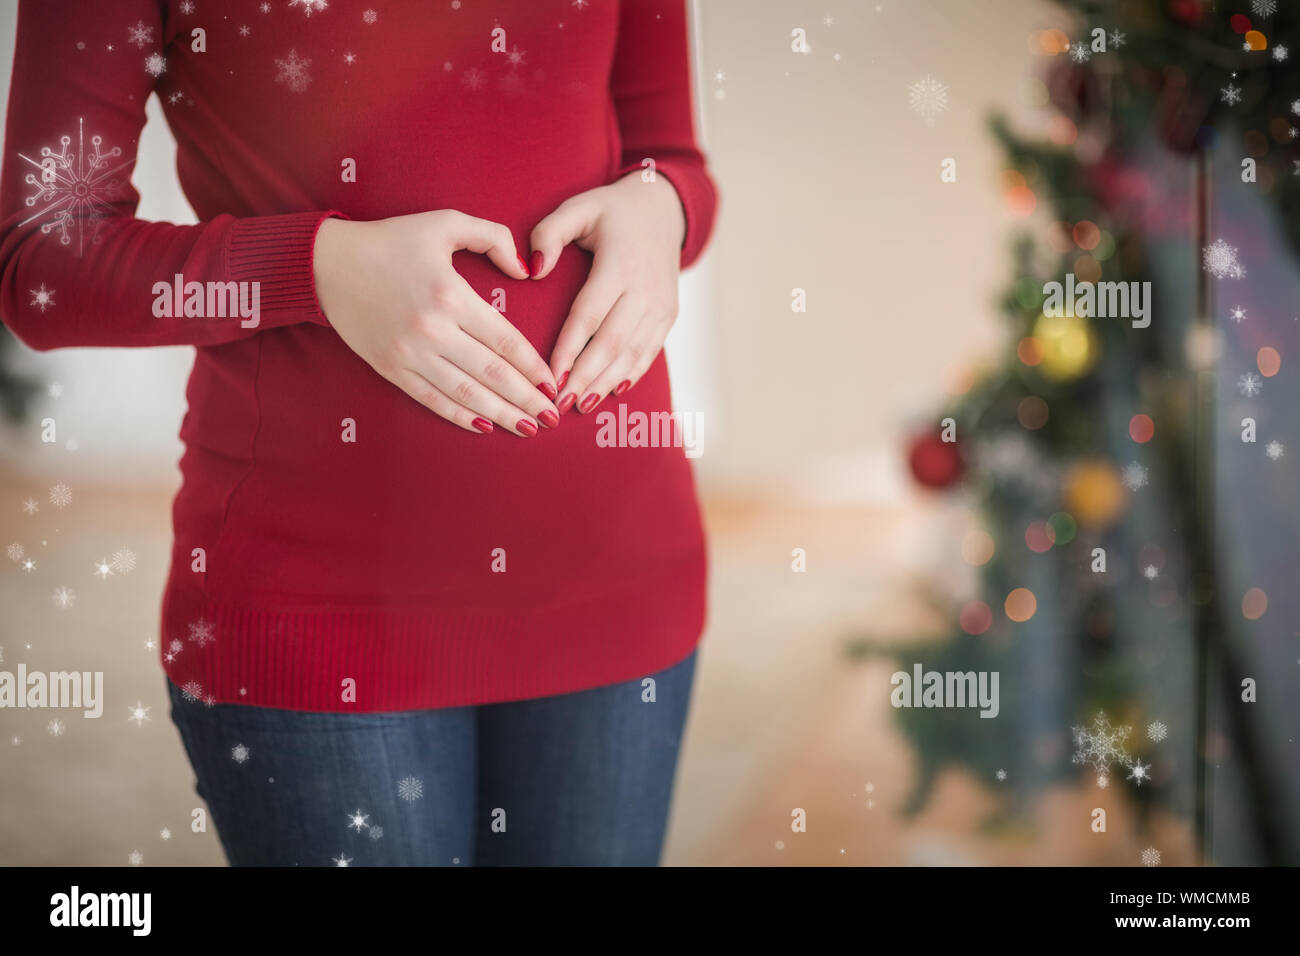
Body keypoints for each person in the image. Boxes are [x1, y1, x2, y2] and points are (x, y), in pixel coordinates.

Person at [0, 0, 717, 866]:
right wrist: (314, 267)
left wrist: (664, 208)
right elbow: (45, 257)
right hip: (316, 605)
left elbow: (669, 158)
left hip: (619, 570)